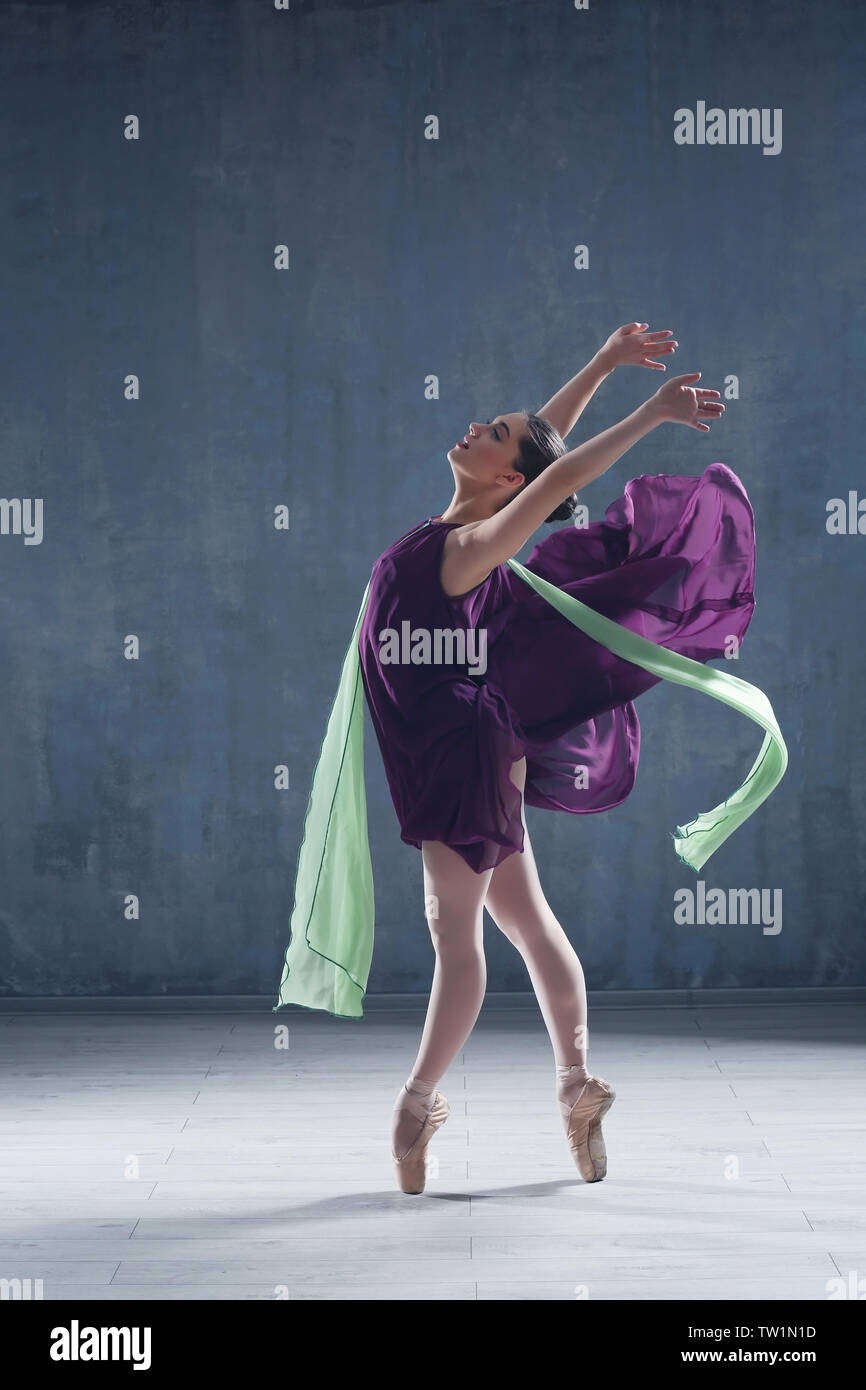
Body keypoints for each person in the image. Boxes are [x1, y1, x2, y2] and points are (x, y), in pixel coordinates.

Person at [357, 323, 754, 1194]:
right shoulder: (464, 529)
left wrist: (650, 411)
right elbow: (545, 451)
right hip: (472, 742)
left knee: (455, 937)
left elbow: (557, 473)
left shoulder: (469, 550)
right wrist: (606, 367)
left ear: (503, 481)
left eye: (491, 433)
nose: (478, 426)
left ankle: (416, 1104)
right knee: (526, 922)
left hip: (456, 753)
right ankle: (576, 1087)